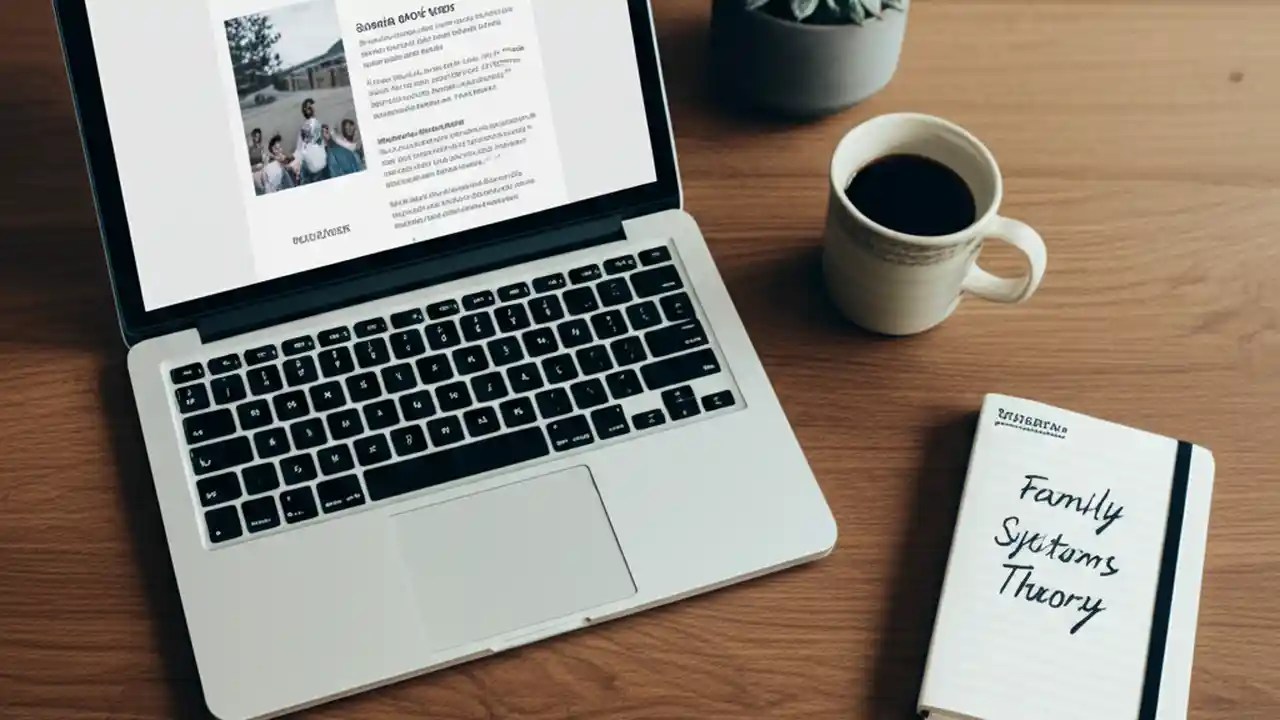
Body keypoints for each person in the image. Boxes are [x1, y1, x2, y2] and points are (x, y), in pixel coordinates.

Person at [291, 98, 328, 184]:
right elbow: (302, 147)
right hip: (317, 166)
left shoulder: (313, 123)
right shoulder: (308, 125)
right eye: (309, 107)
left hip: (318, 165)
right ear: (305, 111)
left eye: (312, 106)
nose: (312, 108)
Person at [247, 128, 267, 195]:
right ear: (252, 137)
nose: (257, 139)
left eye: (258, 137)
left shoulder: (261, 147)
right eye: (255, 136)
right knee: (259, 185)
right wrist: (255, 167)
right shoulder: (250, 148)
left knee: (265, 179)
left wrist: (263, 163)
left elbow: (264, 161)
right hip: (253, 171)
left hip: (261, 169)